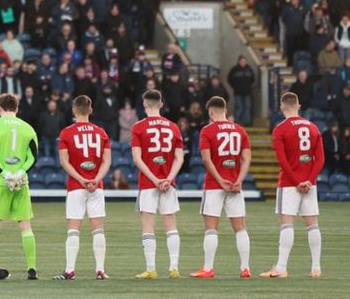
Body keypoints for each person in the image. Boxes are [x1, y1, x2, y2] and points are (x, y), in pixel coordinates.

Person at [261, 92, 324, 278]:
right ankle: (316, 268)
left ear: (282, 107)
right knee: (312, 224)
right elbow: (319, 159)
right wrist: (309, 180)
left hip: (290, 183)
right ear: (298, 105)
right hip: (309, 184)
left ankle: (281, 268)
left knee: (286, 224)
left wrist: (297, 181)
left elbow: (282, 160)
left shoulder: (280, 129)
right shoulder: (313, 128)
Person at [191, 96, 252, 279]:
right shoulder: (240, 130)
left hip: (214, 185)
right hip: (235, 184)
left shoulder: (207, 130)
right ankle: (245, 268)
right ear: (225, 110)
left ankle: (208, 268)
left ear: (210, 112)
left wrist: (220, 180)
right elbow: (246, 159)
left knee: (211, 228)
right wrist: (239, 180)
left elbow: (206, 159)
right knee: (240, 228)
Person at [0, 93, 39, 281]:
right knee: (26, 227)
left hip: (0, 182)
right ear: (17, 108)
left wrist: (6, 174)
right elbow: (33, 157)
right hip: (21, 183)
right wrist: (20, 173)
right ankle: (31, 270)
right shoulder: (28, 128)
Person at [54, 95, 111, 280]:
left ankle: (70, 269)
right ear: (91, 109)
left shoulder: (66, 133)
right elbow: (107, 161)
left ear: (73, 110)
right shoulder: (101, 132)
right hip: (97, 186)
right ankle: (100, 270)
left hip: (76, 186)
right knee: (98, 228)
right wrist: (95, 179)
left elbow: (64, 161)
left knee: (73, 228)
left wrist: (81, 179)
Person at [131, 89, 185, 279]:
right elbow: (179, 158)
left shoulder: (138, 127)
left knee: (148, 225)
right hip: (168, 183)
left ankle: (151, 269)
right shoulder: (173, 127)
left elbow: (137, 159)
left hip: (148, 183)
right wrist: (168, 178)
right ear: (161, 105)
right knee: (170, 224)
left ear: (144, 105)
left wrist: (154, 180)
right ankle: (174, 268)